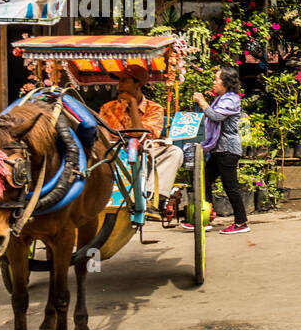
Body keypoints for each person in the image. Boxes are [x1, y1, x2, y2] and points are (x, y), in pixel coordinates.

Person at [98, 65, 184, 212]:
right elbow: (102, 133)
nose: (120, 85)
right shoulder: (108, 108)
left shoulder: (154, 108)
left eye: (124, 81)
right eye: (119, 81)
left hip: (146, 152)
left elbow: (139, 134)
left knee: (175, 152)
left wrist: (132, 104)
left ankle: (151, 196)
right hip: (114, 153)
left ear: (138, 84)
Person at [183, 66, 248, 235]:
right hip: (218, 150)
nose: (214, 82)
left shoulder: (231, 99)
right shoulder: (220, 98)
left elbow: (216, 116)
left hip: (227, 149)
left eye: (216, 79)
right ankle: (205, 218)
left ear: (226, 82)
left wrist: (202, 102)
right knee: (204, 180)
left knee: (230, 186)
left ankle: (241, 222)